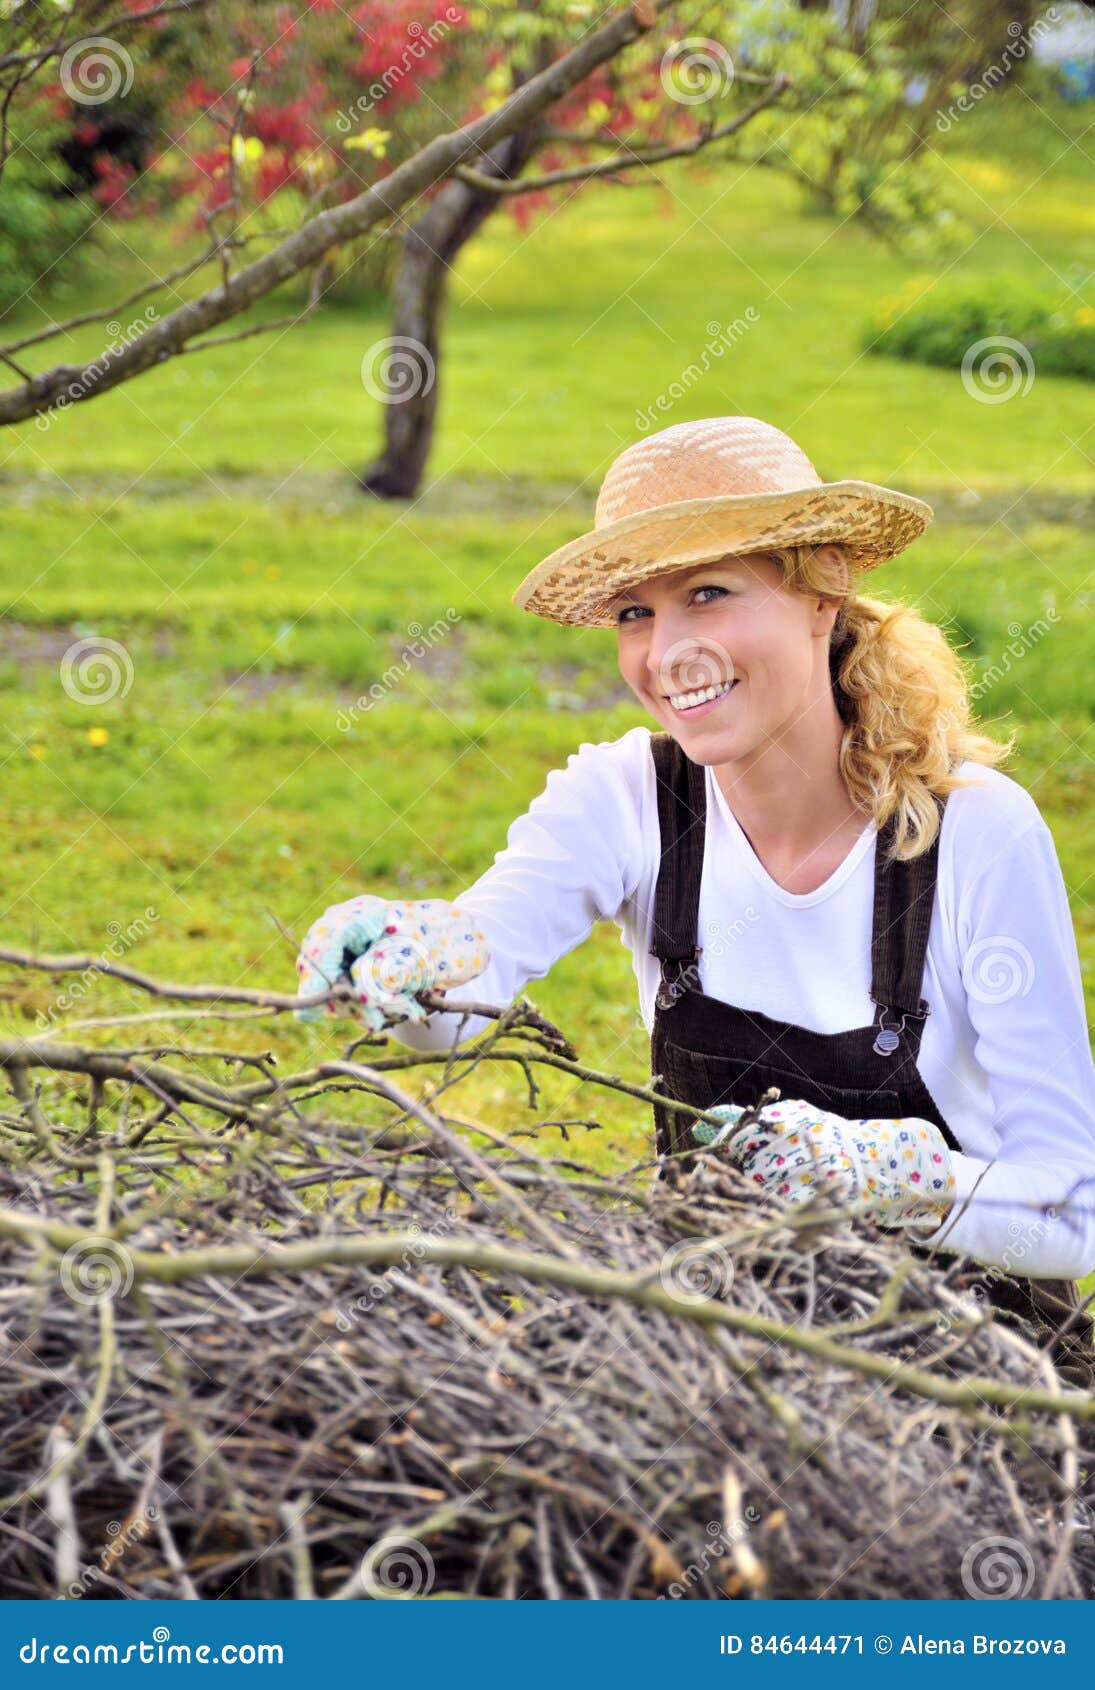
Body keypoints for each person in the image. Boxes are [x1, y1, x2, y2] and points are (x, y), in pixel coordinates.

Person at [296, 416, 1095, 1382]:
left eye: (706, 595)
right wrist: (409, 954)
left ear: (821, 586)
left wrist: (897, 1181)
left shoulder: (975, 836)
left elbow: (1074, 1217)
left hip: (969, 1381)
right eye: (634, 613)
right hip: (717, 1374)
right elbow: (467, 995)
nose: (667, 653)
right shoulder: (631, 798)